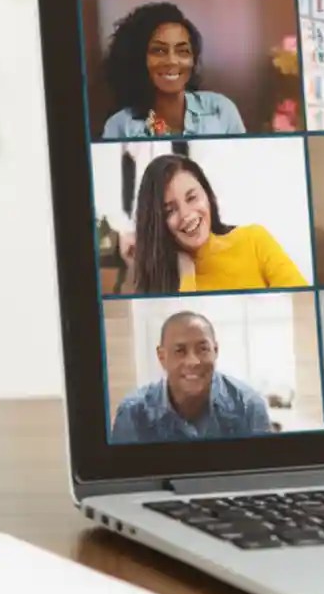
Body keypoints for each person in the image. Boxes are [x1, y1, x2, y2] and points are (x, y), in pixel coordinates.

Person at [122, 154, 308, 294]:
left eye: (192, 197)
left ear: (207, 196)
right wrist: (186, 272)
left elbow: (302, 302)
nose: (186, 215)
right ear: (157, 223)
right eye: (170, 211)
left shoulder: (253, 239)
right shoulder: (161, 281)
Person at [110, 311, 272, 442]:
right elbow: (122, 481)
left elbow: (263, 478)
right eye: (180, 351)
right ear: (162, 357)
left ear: (216, 351)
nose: (193, 361)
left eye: (203, 349)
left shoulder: (248, 406)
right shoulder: (133, 412)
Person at [100, 2, 246, 138]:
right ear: (139, 58)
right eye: (159, 51)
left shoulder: (220, 109)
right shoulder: (120, 125)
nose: (172, 61)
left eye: (182, 51)